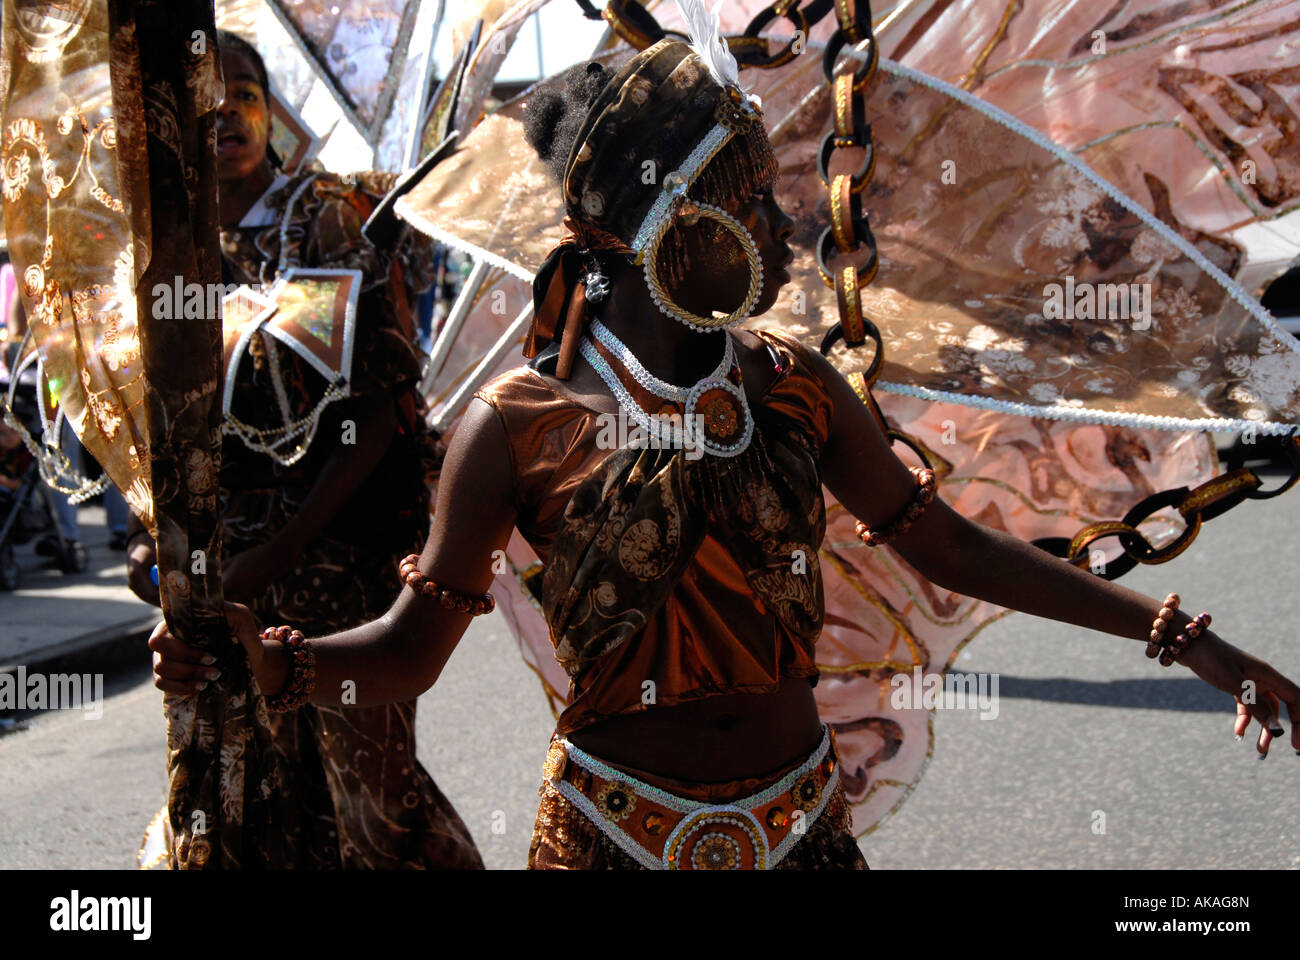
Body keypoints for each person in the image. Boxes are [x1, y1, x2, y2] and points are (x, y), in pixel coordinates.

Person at [150, 35, 1300, 870]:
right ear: (661, 228)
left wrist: (1186, 642)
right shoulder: (517, 427)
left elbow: (950, 545)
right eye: (745, 203)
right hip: (608, 839)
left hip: (799, 830)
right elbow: (411, 649)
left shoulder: (795, 391)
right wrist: (281, 663)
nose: (784, 231)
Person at [129, 31, 482, 870]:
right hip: (223, 573)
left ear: (272, 108)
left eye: (243, 91)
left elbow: (378, 413)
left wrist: (279, 550)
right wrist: (159, 535)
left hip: (341, 562)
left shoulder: (321, 219)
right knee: (252, 797)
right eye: (200, 95)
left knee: (374, 794)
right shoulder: (163, 248)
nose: (224, 113)